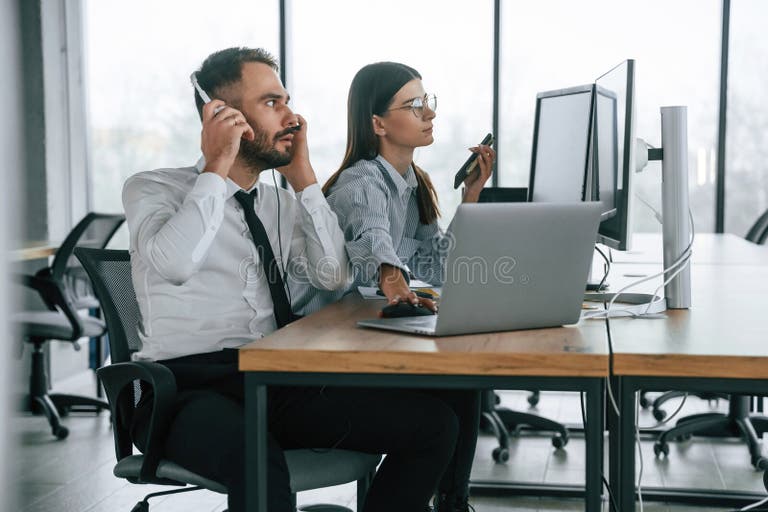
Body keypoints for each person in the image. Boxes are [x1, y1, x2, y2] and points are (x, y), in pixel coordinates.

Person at [123, 47, 462, 512]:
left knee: (434, 425)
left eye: (286, 99)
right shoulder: (153, 188)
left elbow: (333, 274)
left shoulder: (279, 204)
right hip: (185, 388)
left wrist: (303, 179)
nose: (291, 115)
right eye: (271, 103)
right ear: (220, 115)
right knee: (257, 461)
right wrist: (217, 167)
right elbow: (176, 263)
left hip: (270, 380)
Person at [299, 62, 496, 512]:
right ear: (378, 123)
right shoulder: (361, 182)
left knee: (462, 384)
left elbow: (441, 268)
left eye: (428, 102)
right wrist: (392, 276)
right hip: (318, 356)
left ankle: (452, 504)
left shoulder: (413, 187)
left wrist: (470, 200)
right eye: (414, 105)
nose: (429, 114)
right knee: (441, 416)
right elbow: (374, 240)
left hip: (352, 343)